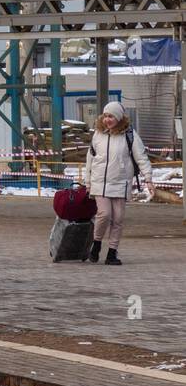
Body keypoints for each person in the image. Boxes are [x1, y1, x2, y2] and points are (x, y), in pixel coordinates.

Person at [81, 101, 154, 266]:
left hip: (121, 182)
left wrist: (148, 179)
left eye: (111, 116)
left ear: (119, 118)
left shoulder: (130, 135)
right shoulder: (98, 134)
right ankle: (97, 244)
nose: (107, 119)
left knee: (118, 219)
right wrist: (88, 182)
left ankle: (112, 253)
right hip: (100, 182)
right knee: (104, 214)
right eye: (106, 116)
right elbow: (90, 159)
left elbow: (141, 158)